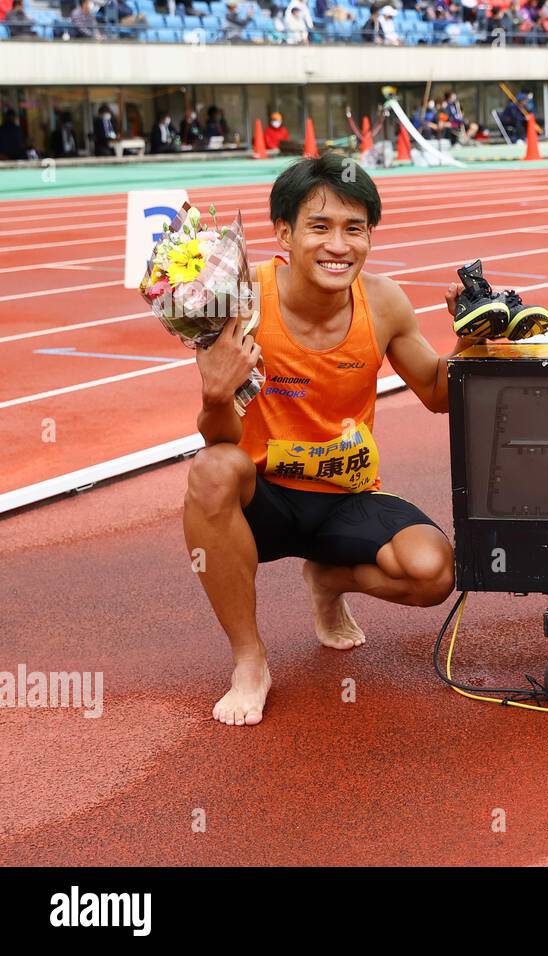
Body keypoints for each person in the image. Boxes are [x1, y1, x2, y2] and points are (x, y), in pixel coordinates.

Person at [185, 154, 470, 727]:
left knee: (435, 572)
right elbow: (221, 440)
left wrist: (471, 341)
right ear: (284, 233)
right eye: (320, 228)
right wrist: (216, 396)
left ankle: (328, 578)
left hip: (346, 495)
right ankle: (250, 660)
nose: (339, 245)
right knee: (211, 470)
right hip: (264, 498)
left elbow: (438, 394)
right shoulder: (238, 300)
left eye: (354, 229)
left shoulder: (384, 301)